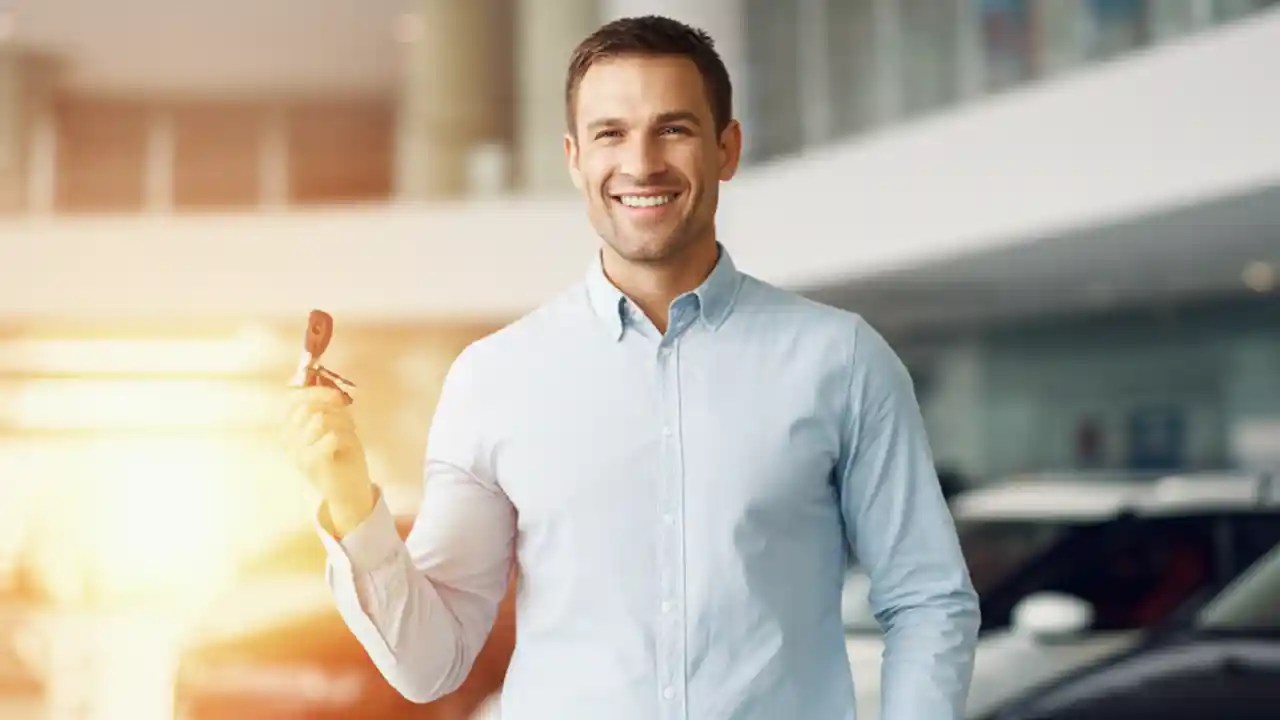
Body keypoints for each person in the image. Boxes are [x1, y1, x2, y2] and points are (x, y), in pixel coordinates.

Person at [281, 14, 979, 720]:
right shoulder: (494, 379)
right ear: (574, 157)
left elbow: (928, 600)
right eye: (610, 133)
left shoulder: (842, 361)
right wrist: (351, 503)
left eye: (672, 129)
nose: (641, 163)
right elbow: (431, 665)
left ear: (727, 149)